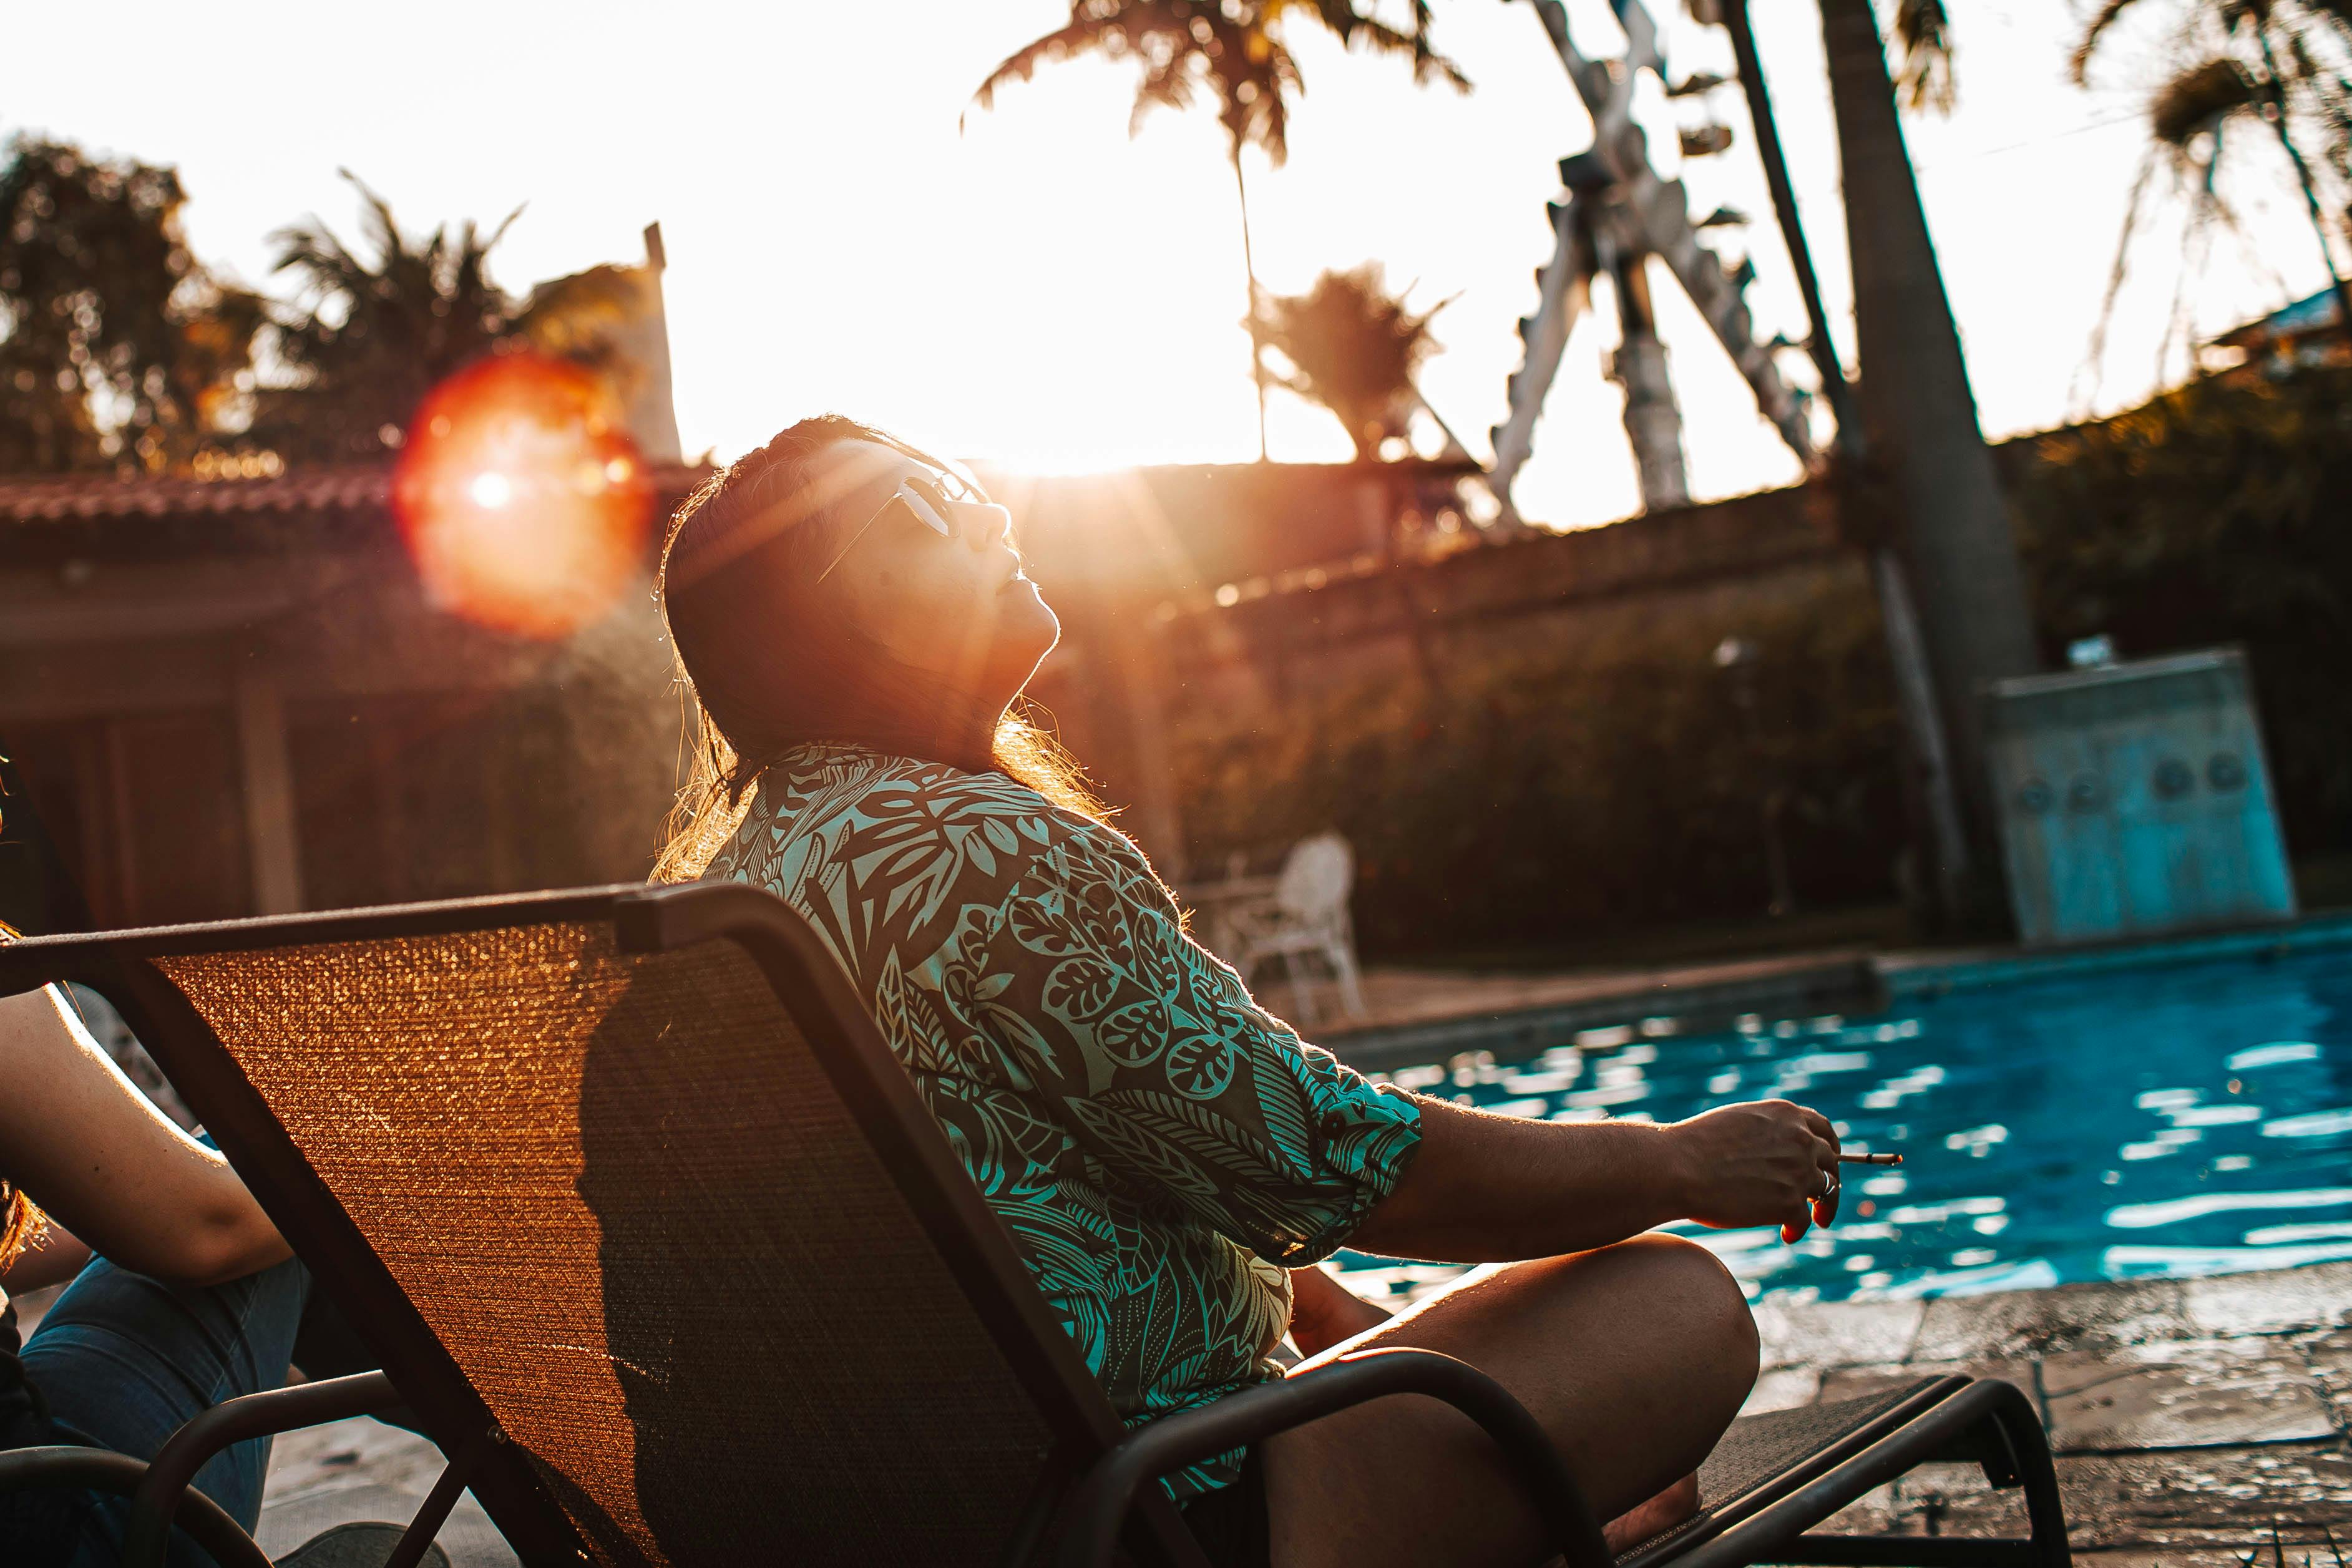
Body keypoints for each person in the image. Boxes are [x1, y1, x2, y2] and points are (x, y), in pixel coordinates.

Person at [653, 416, 1847, 1568]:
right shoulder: (976, 854)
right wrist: (1678, 1161)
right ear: (813, 620)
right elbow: (1334, 1155)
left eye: (957, 476)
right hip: (1153, 1516)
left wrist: (1327, 1309)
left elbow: (1125, 1168)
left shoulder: (731, 898)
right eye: (923, 507)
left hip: (932, 1521)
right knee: (1670, 1299)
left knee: (1511, 1368)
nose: (988, 509)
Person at [0, 975, 306, 1566]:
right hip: (45, 1528)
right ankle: (508, 1458)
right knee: (283, 1148)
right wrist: (406, 1150)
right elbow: (210, 1228)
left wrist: (119, 1211)